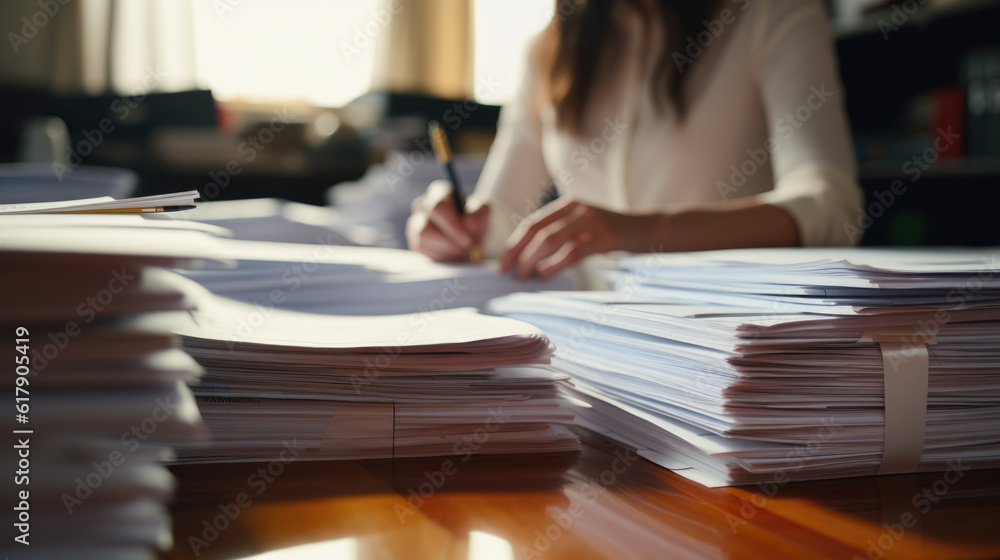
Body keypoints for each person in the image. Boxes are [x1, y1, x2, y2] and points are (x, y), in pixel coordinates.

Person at [407, 0, 862, 281]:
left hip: (721, 348)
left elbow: (830, 208)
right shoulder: (549, 47)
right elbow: (499, 222)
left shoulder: (772, 13)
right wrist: (447, 226)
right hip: (583, 350)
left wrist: (639, 230)